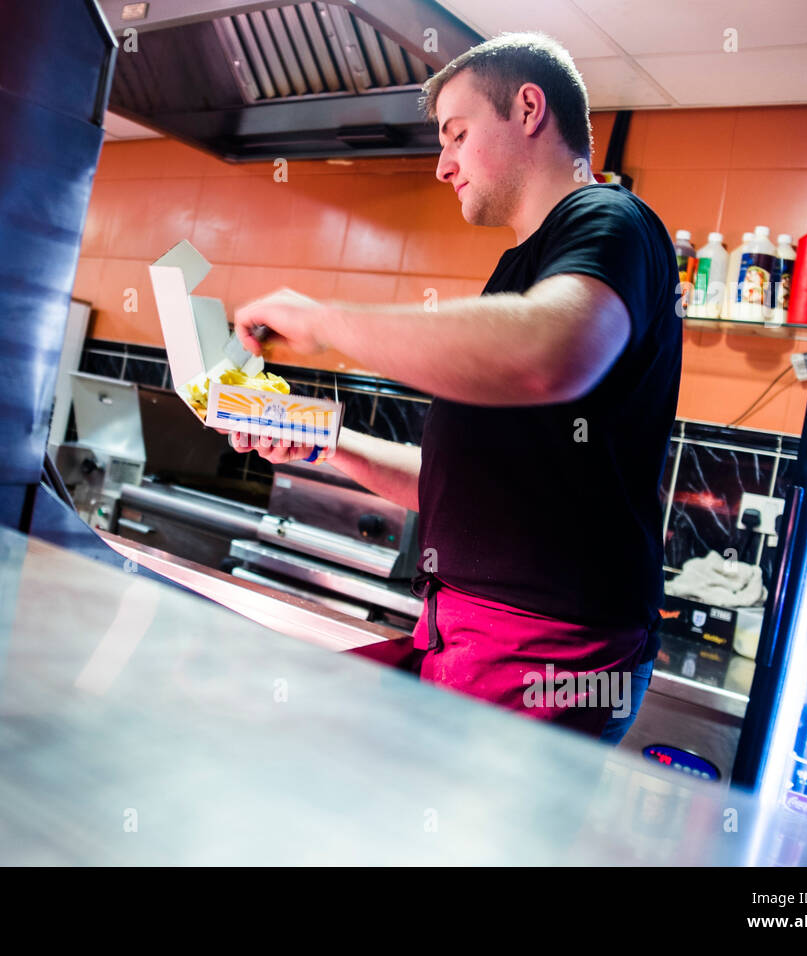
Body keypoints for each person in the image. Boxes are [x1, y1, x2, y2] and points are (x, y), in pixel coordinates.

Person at [224, 32, 681, 744]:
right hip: (472, 636)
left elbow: (548, 352)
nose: (443, 165)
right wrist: (328, 439)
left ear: (529, 108)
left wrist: (325, 322)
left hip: (543, 651)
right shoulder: (524, 267)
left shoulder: (610, 220)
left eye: (458, 134)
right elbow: (459, 480)